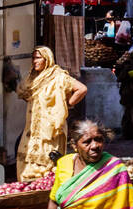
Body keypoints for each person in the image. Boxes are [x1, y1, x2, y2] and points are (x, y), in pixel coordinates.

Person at [15, 46, 87, 182]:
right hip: (32, 128)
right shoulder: (31, 78)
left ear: (47, 59)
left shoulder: (58, 77)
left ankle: (47, 193)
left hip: (51, 129)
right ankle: (28, 189)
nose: (34, 61)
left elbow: (81, 89)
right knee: (26, 160)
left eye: (38, 58)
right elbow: (23, 92)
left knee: (47, 161)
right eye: (33, 58)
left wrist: (67, 104)